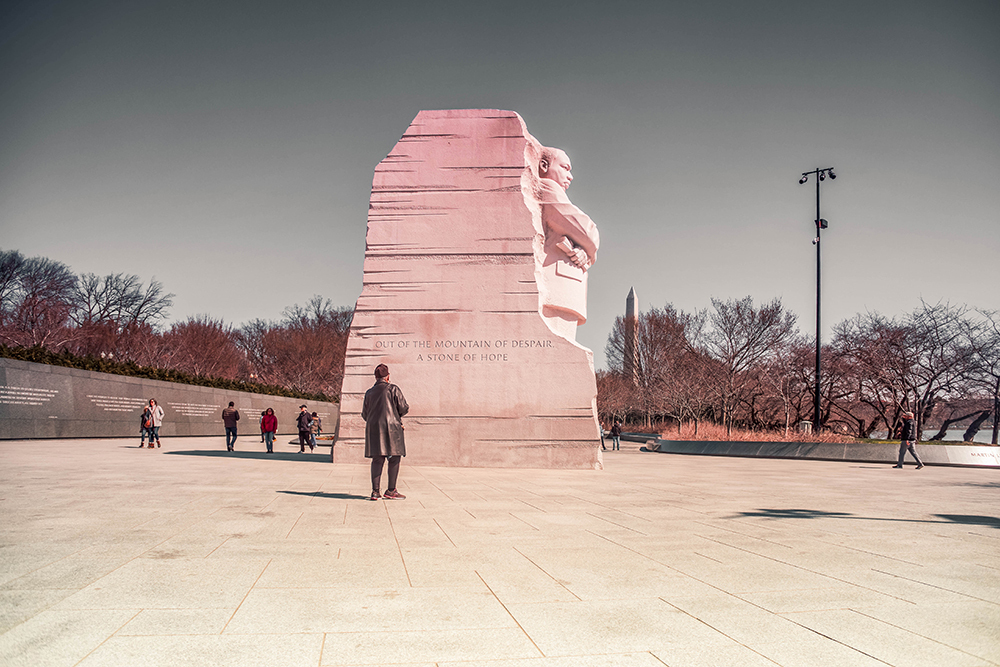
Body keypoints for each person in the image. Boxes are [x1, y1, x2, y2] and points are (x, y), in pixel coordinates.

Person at [535, 146, 600, 342]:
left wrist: (584, 253)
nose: (570, 176)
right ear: (544, 165)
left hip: (565, 283)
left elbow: (578, 236)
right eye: (565, 168)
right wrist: (589, 245)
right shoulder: (547, 188)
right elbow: (588, 231)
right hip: (556, 283)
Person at [362, 363, 409, 501]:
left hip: (374, 428)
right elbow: (404, 408)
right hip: (392, 428)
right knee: (394, 458)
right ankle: (391, 490)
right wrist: (396, 416)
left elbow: (365, 414)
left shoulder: (369, 392)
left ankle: (375, 491)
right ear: (388, 376)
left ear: (375, 377)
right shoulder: (393, 389)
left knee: (377, 459)